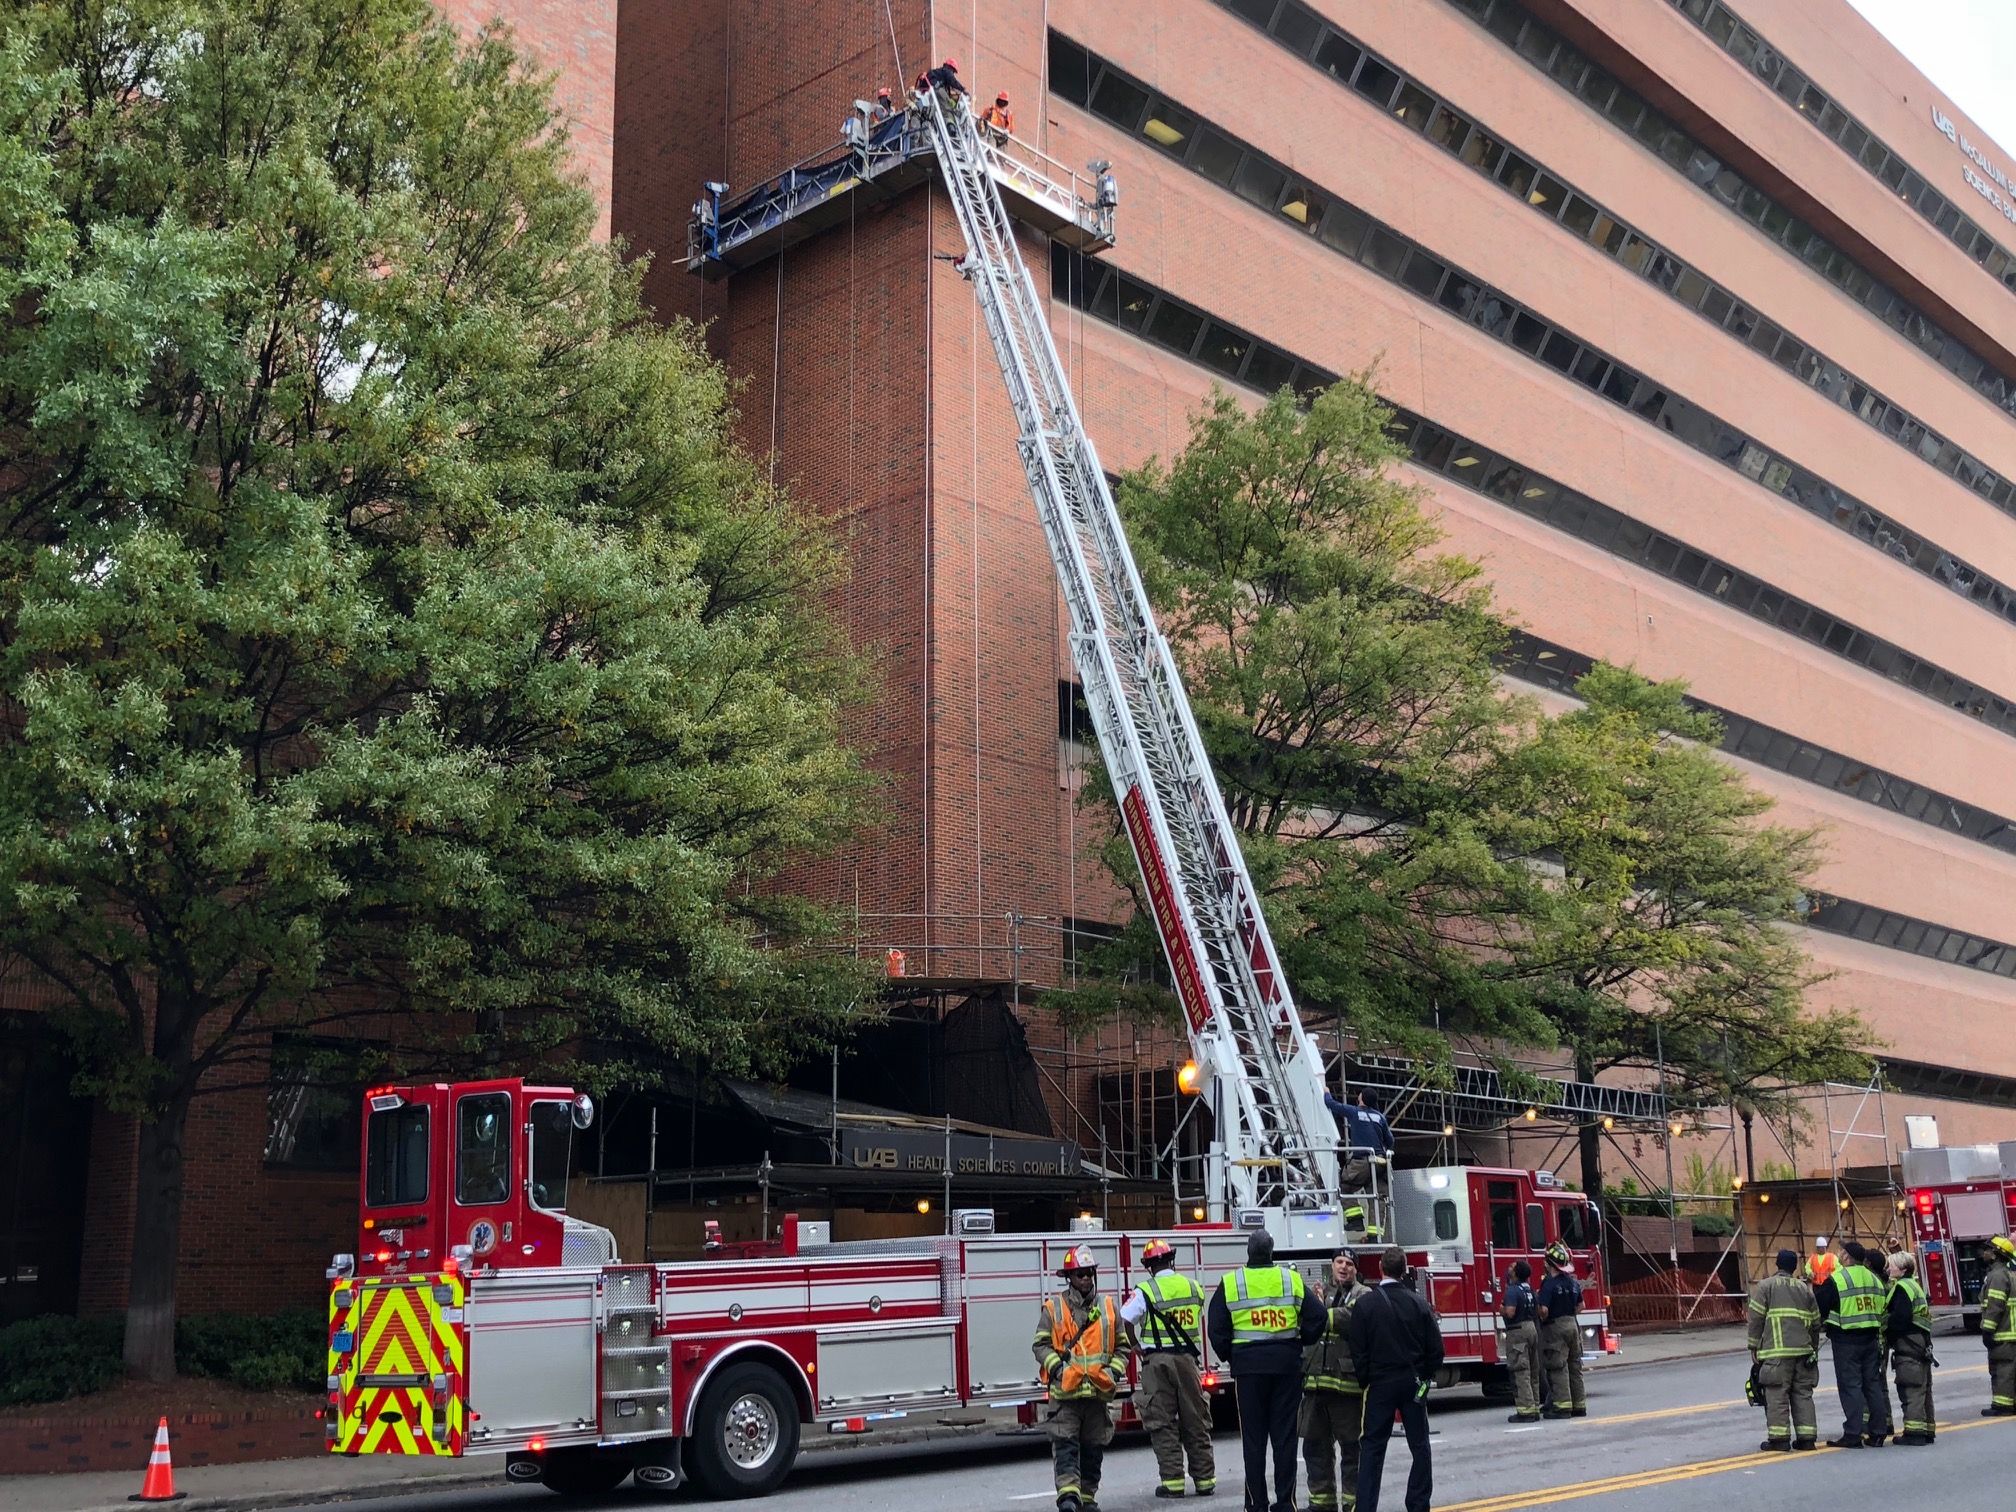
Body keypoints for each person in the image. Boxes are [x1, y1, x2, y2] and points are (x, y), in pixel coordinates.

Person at [1206, 1229, 1324, 1512]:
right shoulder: (1290, 1279)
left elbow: (1216, 1328)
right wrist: (1299, 1341)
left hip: (1249, 1369)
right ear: (1272, 1252)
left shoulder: (1233, 1282)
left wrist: (1232, 1355)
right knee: (1284, 1438)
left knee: (1254, 1439)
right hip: (1286, 1365)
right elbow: (1318, 1315)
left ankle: (1256, 1503)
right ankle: (1286, 1503)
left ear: (1248, 1251)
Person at [1348, 1245, 1443, 1512]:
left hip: (1379, 1383)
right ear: (1405, 1270)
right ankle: (1418, 1502)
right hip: (1413, 1383)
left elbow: (1357, 1347)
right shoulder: (1419, 1303)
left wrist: (1366, 1378)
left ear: (1380, 1268)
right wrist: (1424, 1378)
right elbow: (1436, 1350)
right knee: (1420, 1445)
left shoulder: (1366, 1304)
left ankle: (1366, 1506)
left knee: (1372, 1448)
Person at [1032, 1245, 1126, 1512]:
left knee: (1093, 1450)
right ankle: (1068, 1498)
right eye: (1079, 1273)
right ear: (1069, 1277)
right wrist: (1059, 1371)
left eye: (1088, 1273)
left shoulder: (1108, 1307)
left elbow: (1123, 1347)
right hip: (1066, 1396)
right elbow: (1040, 1345)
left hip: (1097, 1393)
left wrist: (1112, 1372)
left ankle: (1087, 1497)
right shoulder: (1054, 1308)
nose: (1084, 1278)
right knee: (1065, 1447)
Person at [1120, 1238, 1216, 1499]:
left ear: (1149, 1266)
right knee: (1196, 1419)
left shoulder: (1145, 1291)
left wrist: (1135, 1345)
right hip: (1188, 1361)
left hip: (1157, 1361)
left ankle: (1173, 1483)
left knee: (1163, 1422)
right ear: (1172, 1260)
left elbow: (1125, 1318)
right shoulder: (1193, 1286)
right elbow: (1197, 1309)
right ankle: (1205, 1480)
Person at [1301, 1249, 1370, 1512]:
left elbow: (1346, 1319)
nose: (1343, 1267)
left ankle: (1353, 1503)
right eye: (1339, 1262)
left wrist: (1317, 1311)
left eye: (1349, 1263)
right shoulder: (1323, 1293)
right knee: (1315, 1447)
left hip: (1347, 1386)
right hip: (1316, 1384)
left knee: (1351, 1449)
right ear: (1332, 1265)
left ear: (1355, 1269)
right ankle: (1321, 1502)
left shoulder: (1364, 1295)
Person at [1747, 1247, 1820, 1451]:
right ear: (1795, 1267)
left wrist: (1753, 1345)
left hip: (1776, 1353)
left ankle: (1779, 1440)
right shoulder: (1804, 1289)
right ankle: (1806, 1439)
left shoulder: (1766, 1286)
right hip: (1803, 1352)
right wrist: (1812, 1349)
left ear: (1777, 1265)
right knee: (1803, 1394)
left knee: (1777, 1394)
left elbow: (1756, 1318)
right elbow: (1816, 1323)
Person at [1815, 1239, 1886, 1446]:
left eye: (1840, 1251)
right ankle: (1878, 1432)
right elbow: (1882, 1307)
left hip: (1846, 1340)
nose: (1838, 1253)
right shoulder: (1874, 1279)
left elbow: (1821, 1305)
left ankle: (1853, 1434)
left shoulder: (1838, 1279)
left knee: (1851, 1386)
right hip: (1871, 1338)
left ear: (1846, 1256)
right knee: (1872, 1385)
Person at [1883, 1249, 1935, 1445]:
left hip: (1908, 1342)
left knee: (1911, 1387)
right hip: (1922, 1341)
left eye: (1893, 1265)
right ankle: (1927, 1429)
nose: (1889, 1268)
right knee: (1923, 1387)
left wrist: (1888, 1332)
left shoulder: (1902, 1288)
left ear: (1903, 1269)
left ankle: (1914, 1433)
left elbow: (1901, 1317)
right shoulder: (1915, 1286)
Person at [1535, 1242, 1585, 1419]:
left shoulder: (1548, 1284)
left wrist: (1542, 1316)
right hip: (1573, 1324)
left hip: (1556, 1327)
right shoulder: (1573, 1283)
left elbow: (1544, 1310)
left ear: (1549, 1264)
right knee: (1574, 1366)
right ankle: (1579, 1405)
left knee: (1558, 1366)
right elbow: (1581, 1305)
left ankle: (1562, 1407)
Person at [1500, 1259, 1543, 1423]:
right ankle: (1535, 1408)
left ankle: (1525, 1412)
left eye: (1512, 1267)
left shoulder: (1512, 1290)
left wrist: (1501, 1309)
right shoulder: (1530, 1289)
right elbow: (1538, 1310)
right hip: (1531, 1327)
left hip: (1517, 1331)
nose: (1509, 1268)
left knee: (1520, 1371)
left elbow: (1510, 1312)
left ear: (1516, 1273)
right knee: (1532, 1370)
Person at [1981, 1234, 2016, 1416]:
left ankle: (2002, 1405)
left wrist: (1987, 1329)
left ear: (1995, 1254)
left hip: (2002, 1332)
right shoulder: (2010, 1274)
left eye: (1987, 1250)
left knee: (2002, 1369)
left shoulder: (1997, 1276)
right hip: (2011, 1331)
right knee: (2010, 1369)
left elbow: (1994, 1306)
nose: (1984, 1253)